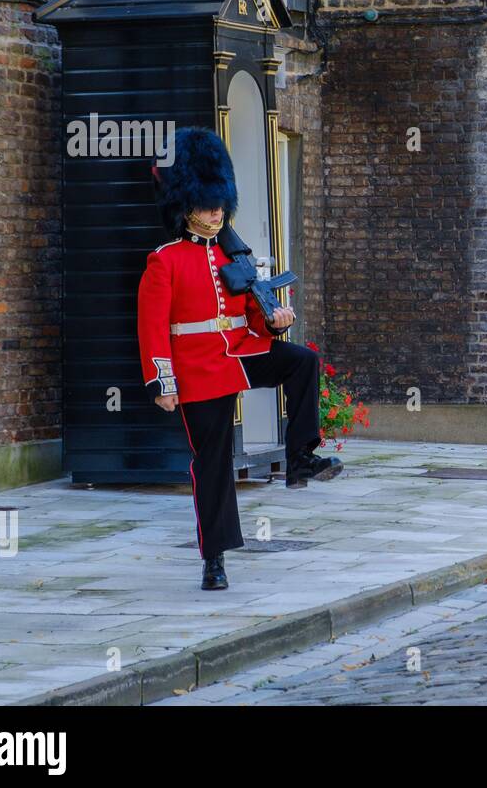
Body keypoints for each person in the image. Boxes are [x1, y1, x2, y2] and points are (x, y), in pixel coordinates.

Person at [137, 127, 340, 591]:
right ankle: (214, 558)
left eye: (219, 203)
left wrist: (276, 321)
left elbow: (256, 312)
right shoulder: (164, 261)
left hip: (242, 353)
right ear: (186, 204)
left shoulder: (235, 251)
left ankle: (301, 457)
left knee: (301, 361)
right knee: (212, 461)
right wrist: (161, 382)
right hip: (198, 368)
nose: (215, 210)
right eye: (207, 203)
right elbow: (152, 329)